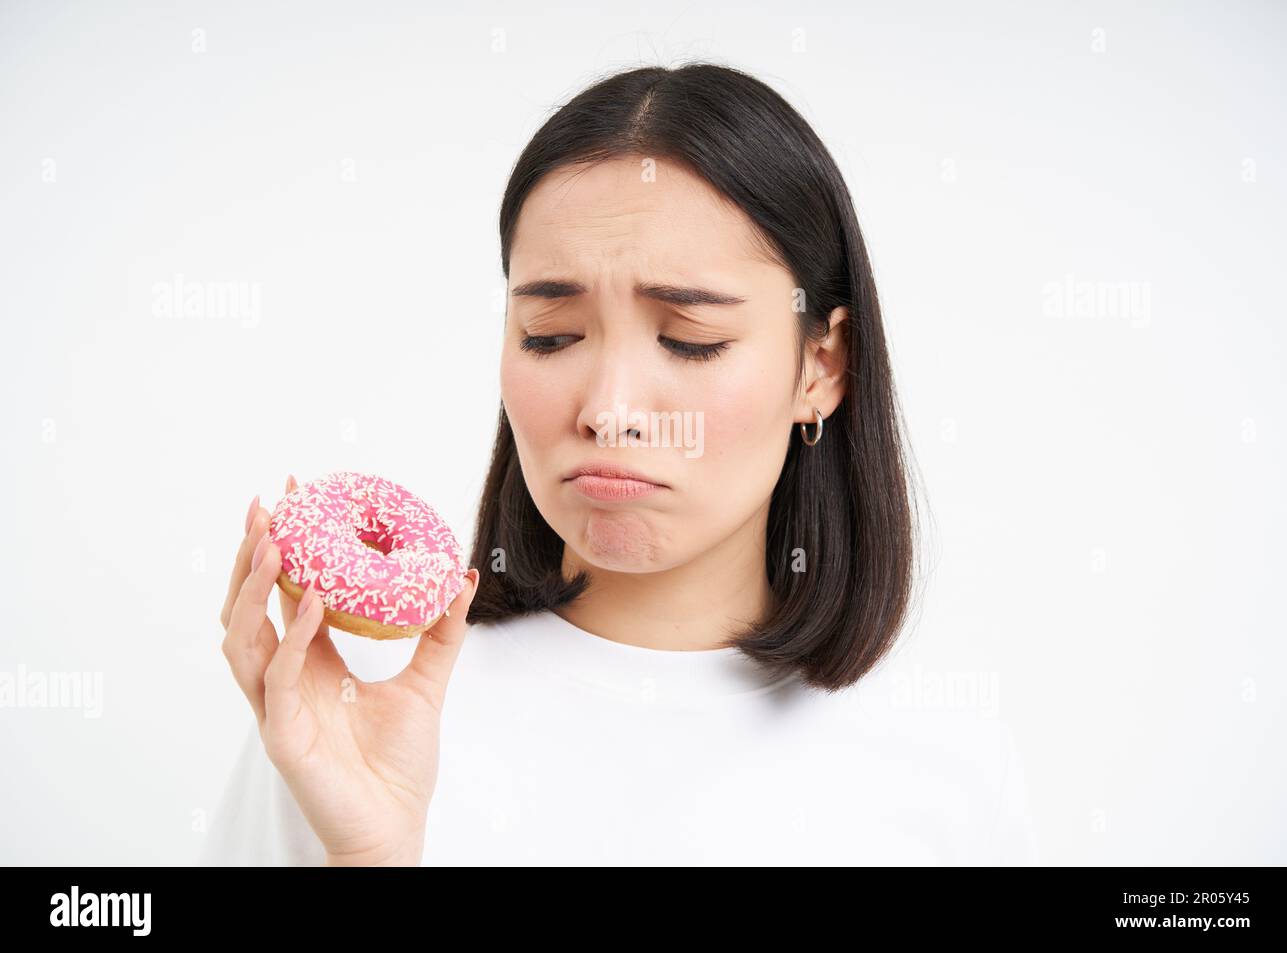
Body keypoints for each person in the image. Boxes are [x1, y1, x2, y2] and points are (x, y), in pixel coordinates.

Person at [206, 61, 1041, 866]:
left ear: (821, 366)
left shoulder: (946, 757)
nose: (606, 409)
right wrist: (371, 857)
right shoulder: (357, 706)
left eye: (690, 341)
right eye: (551, 335)